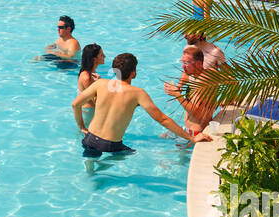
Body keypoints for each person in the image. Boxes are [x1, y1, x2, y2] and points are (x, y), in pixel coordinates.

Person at [73, 51, 207, 153]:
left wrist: (82, 127)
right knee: (130, 154)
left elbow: (75, 104)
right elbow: (162, 119)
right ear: (133, 73)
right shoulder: (138, 93)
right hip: (110, 145)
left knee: (91, 169)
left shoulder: (100, 83)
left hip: (89, 140)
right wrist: (192, 138)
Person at [161, 46, 218, 139]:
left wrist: (177, 95)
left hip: (195, 133)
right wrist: (177, 87)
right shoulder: (197, 74)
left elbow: (198, 114)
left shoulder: (202, 83)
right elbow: (232, 81)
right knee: (161, 138)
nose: (183, 66)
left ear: (199, 64)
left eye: (186, 63)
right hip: (187, 129)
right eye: (182, 62)